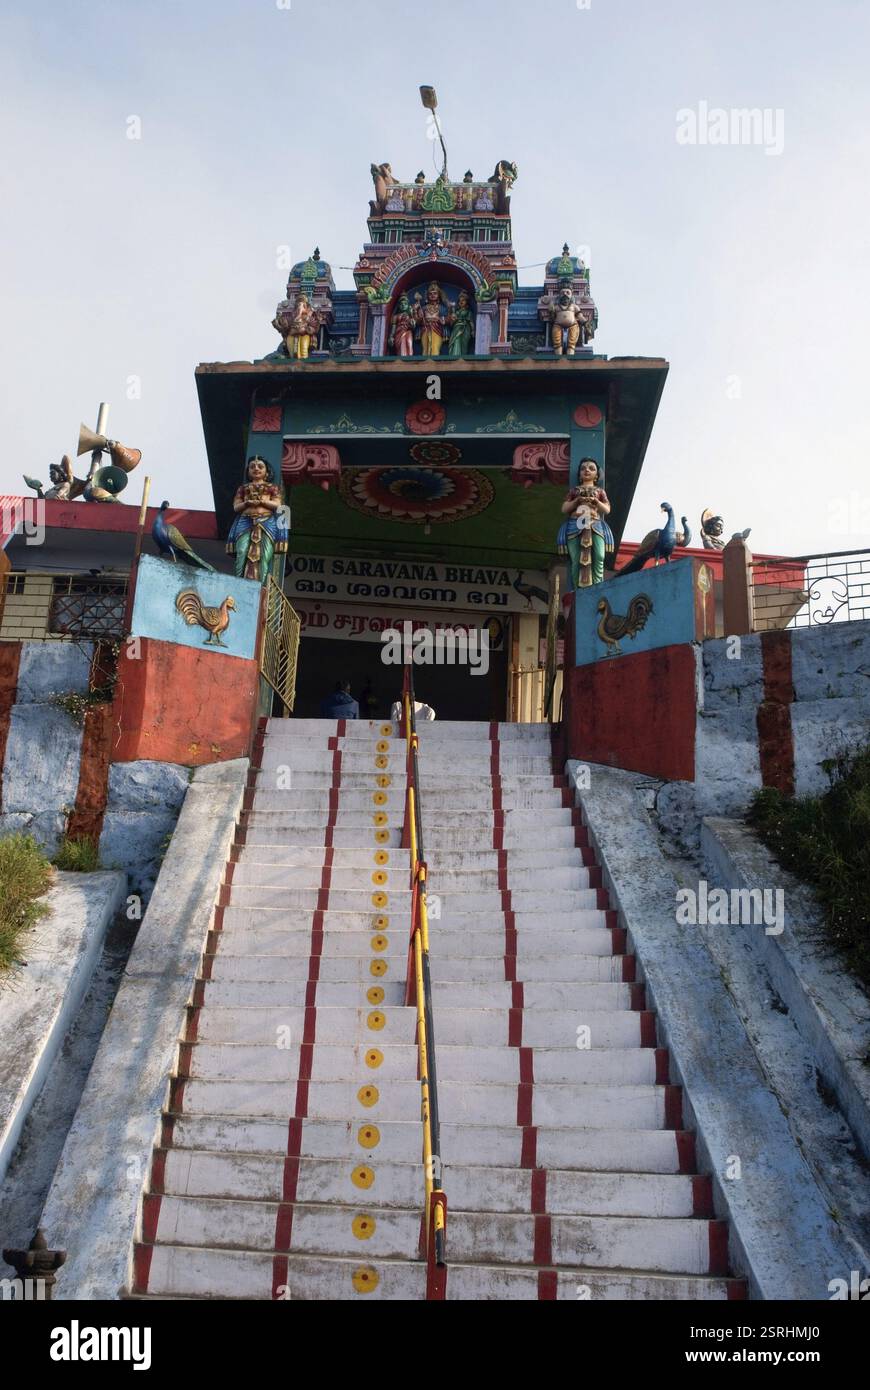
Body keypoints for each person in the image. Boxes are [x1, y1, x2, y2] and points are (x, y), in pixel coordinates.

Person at [557, 458, 613, 589]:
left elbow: (607, 509)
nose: (587, 470)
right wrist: (577, 501)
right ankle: (577, 590)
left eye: (591, 468)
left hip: (595, 525)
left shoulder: (600, 491)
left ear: (597, 475)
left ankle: (597, 588)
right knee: (575, 560)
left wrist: (596, 502)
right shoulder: (574, 491)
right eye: (583, 468)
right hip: (575, 525)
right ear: (579, 475)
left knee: (599, 556)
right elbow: (564, 508)